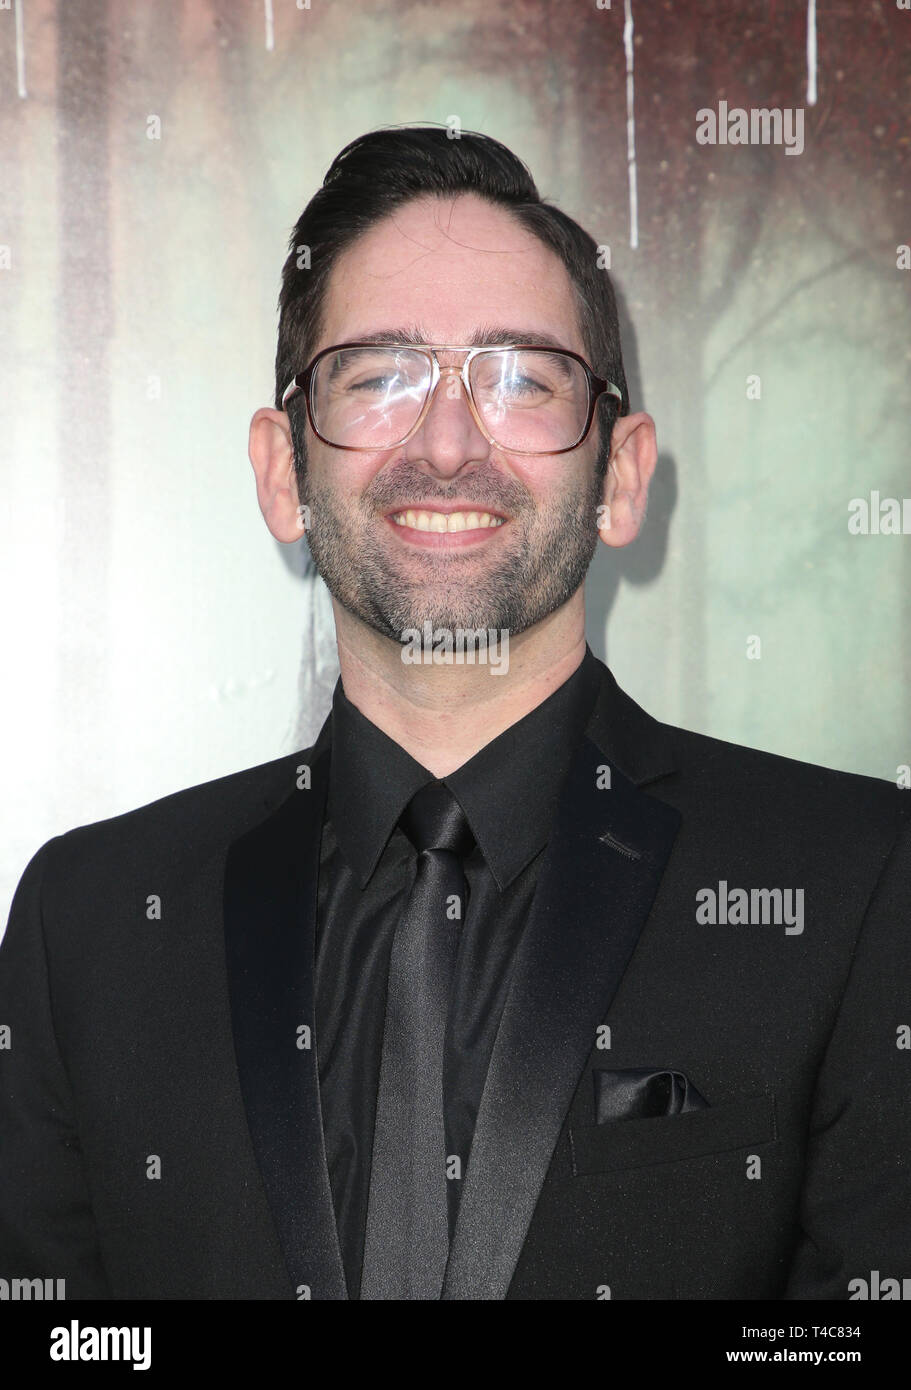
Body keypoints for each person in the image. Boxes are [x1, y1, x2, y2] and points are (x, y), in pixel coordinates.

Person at [1, 126, 909, 1302]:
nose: (444, 441)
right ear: (282, 472)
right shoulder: (90, 924)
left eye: (521, 379)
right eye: (378, 375)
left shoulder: (852, 887)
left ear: (620, 475)